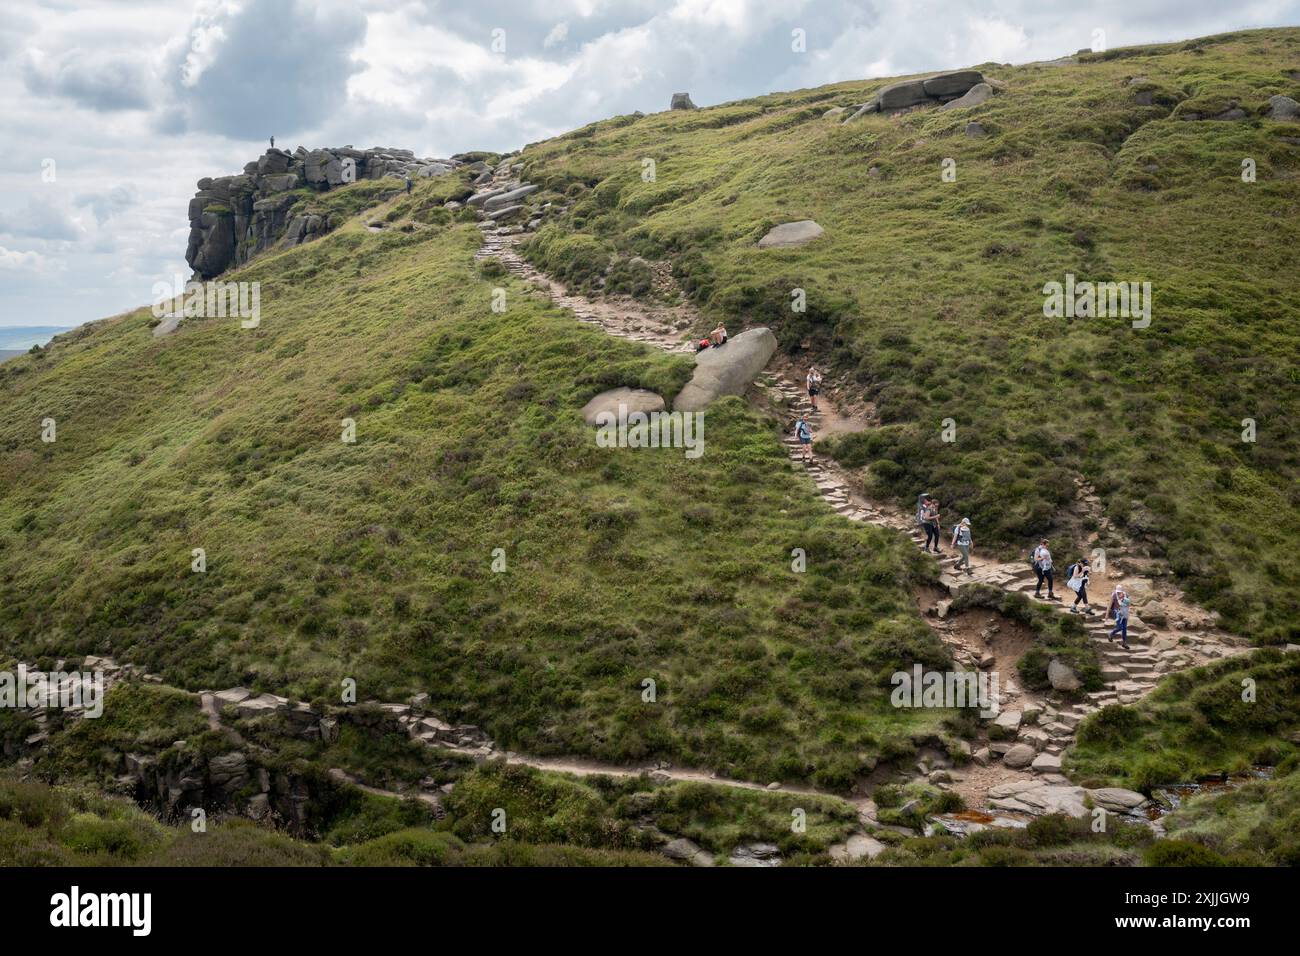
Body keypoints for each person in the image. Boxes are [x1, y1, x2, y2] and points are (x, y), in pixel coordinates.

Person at [1107, 584, 1131, 648]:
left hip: (1124, 613)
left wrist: (1128, 612)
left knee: (1125, 628)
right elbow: (1109, 605)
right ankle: (1111, 633)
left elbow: (1128, 604)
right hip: (1117, 612)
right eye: (1117, 591)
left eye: (1119, 592)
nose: (1118, 593)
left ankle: (1124, 642)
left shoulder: (1126, 595)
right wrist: (1107, 614)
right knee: (1120, 627)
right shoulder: (1114, 595)